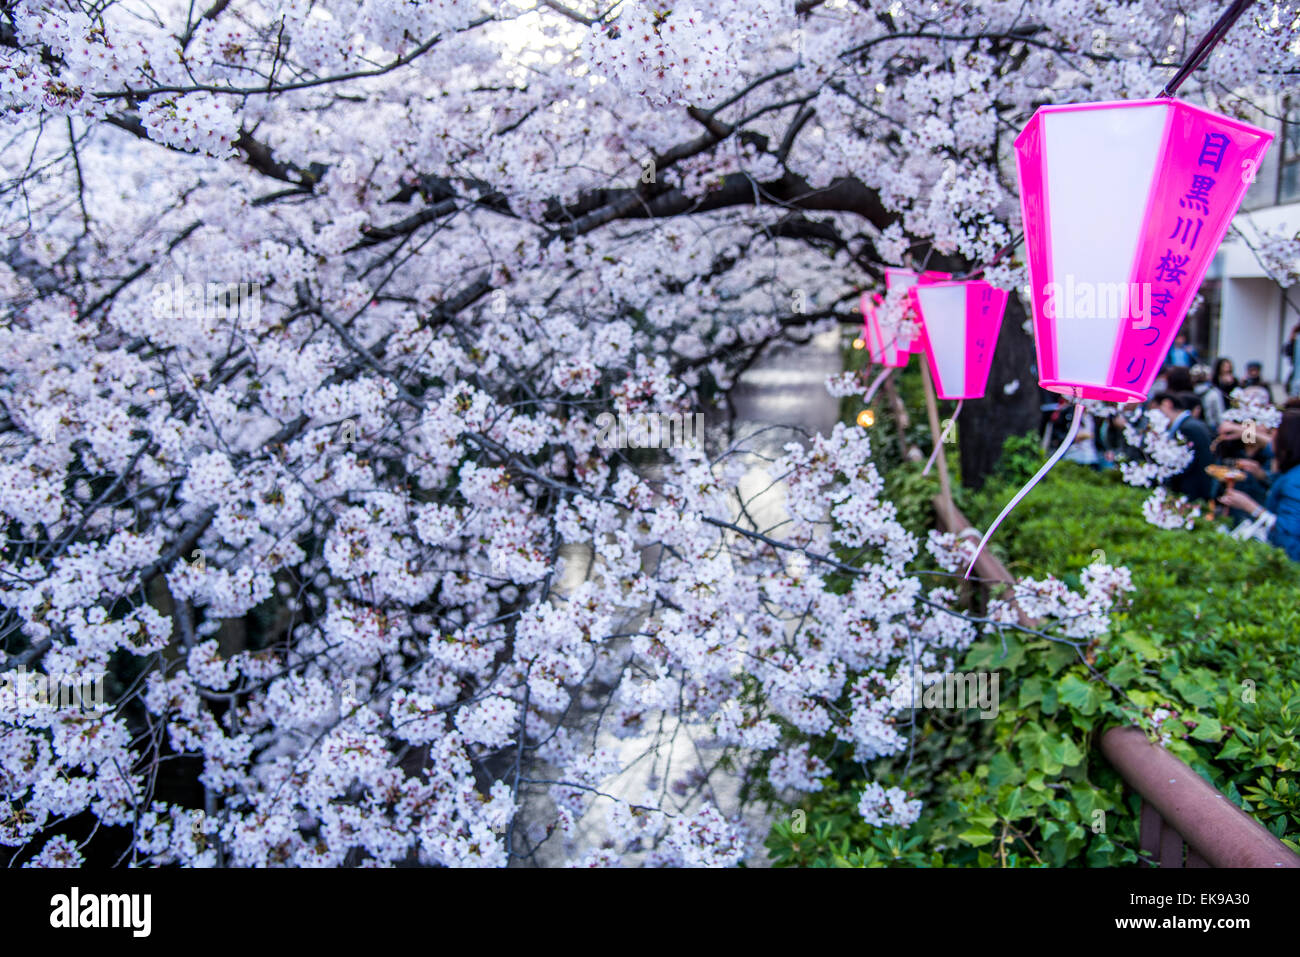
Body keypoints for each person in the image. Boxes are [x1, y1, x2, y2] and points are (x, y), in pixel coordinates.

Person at [1220, 408, 1300, 562]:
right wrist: (1262, 475)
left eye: (1276, 431)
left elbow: (1288, 536)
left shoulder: (1294, 481)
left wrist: (1250, 506)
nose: (1271, 436)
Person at [1153, 391, 1215, 501]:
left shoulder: (1187, 428)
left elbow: (1187, 465)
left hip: (1191, 493)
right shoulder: (1191, 424)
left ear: (1167, 404)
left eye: (1157, 410)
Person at [1200, 357, 1235, 431]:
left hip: (1227, 404)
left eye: (1228, 366)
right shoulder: (1214, 379)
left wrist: (1229, 384)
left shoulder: (1233, 380)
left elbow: (1232, 394)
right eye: (1224, 366)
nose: (1227, 369)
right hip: (1217, 402)